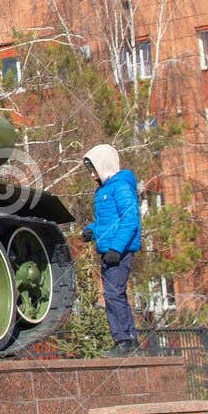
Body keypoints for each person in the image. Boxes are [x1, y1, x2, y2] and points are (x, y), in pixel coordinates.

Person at [82, 143, 141, 357]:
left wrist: (116, 248)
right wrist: (91, 231)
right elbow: (106, 223)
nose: (91, 175)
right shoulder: (103, 190)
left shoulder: (121, 187)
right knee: (116, 294)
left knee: (113, 294)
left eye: (92, 169)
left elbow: (130, 219)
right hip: (108, 249)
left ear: (103, 166)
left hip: (119, 250)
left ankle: (124, 341)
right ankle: (130, 341)